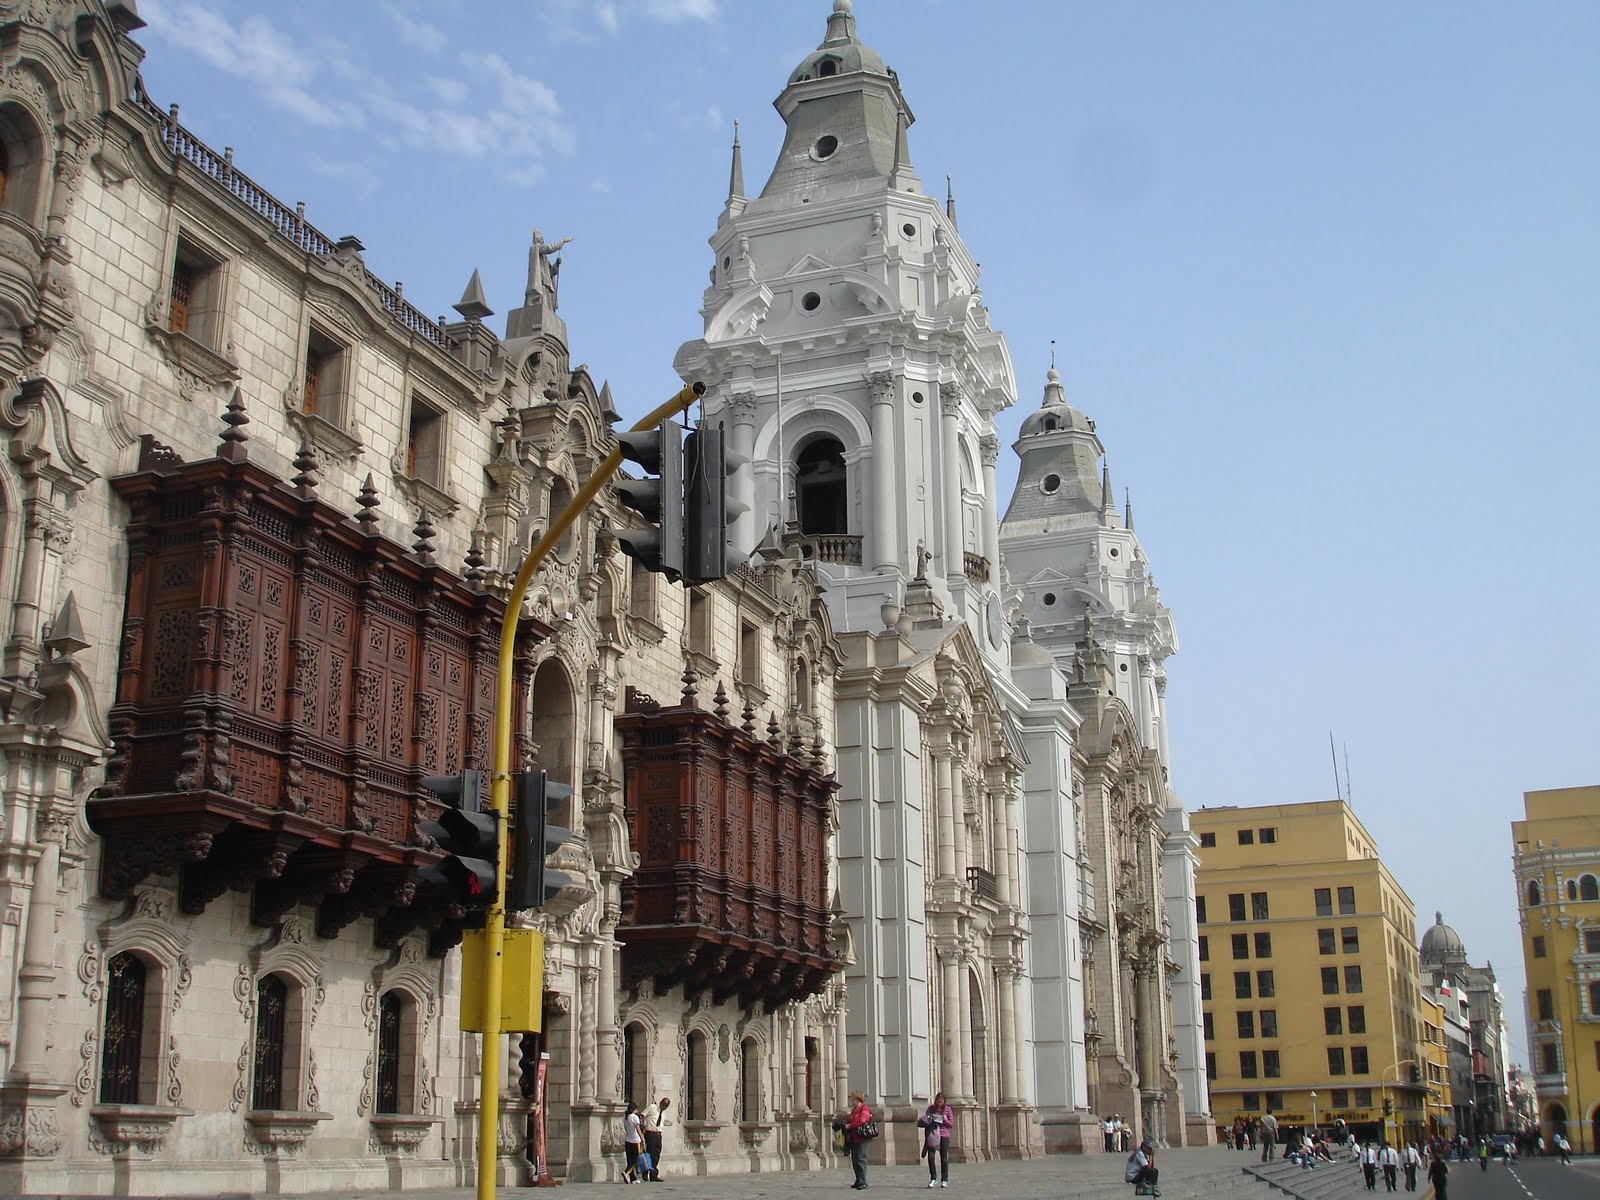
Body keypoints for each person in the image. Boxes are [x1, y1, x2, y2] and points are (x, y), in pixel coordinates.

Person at [842, 1089, 874, 1190]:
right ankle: (858, 1179)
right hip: (854, 1137)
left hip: (862, 1136)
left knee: (861, 1158)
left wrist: (850, 1125)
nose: (851, 1100)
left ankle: (863, 1181)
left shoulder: (864, 1108)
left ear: (857, 1099)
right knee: (855, 1159)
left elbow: (862, 1120)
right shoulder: (854, 1109)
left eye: (852, 1098)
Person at [921, 1091, 954, 1188]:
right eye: (938, 1102)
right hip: (933, 1134)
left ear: (944, 1102)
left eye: (941, 1102)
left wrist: (945, 1119)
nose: (940, 1104)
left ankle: (944, 1179)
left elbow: (951, 1124)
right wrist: (931, 1117)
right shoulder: (931, 1109)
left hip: (944, 1135)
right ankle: (933, 1178)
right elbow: (925, 1120)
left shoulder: (948, 1110)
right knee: (931, 1157)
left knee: (944, 1158)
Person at [641, 1095, 669, 1181]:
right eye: (663, 1105)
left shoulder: (663, 1113)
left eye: (665, 1106)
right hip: (650, 1133)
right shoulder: (652, 1107)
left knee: (657, 1154)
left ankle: (653, 1174)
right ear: (660, 1103)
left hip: (658, 1135)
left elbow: (661, 1123)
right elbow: (642, 1115)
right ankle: (645, 1173)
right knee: (649, 1154)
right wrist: (643, 1127)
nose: (663, 1107)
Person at [622, 1101, 644, 1183]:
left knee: (629, 1159)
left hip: (628, 1140)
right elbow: (638, 1129)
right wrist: (643, 1138)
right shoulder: (634, 1117)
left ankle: (632, 1178)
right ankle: (626, 1172)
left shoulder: (626, 1117)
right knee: (635, 1160)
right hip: (635, 1140)